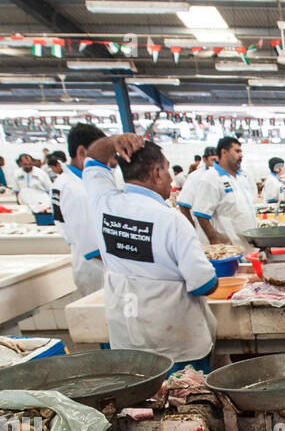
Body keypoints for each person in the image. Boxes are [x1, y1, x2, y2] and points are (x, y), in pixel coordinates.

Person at [83, 132, 218, 370]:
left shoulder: (104, 203)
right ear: (157, 173)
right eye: (166, 170)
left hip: (128, 341)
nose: (170, 179)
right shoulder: (172, 220)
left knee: (141, 403)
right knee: (188, 400)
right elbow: (203, 284)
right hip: (177, 347)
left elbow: (93, 159)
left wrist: (113, 141)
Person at [54, 122, 106, 296]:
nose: (105, 161)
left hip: (87, 261)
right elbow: (92, 245)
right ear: (82, 152)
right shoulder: (75, 190)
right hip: (97, 270)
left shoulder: (65, 182)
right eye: (101, 155)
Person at [188, 135, 256, 247]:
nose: (241, 155)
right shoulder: (211, 178)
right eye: (237, 151)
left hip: (248, 245)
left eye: (241, 151)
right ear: (224, 152)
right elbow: (201, 214)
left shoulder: (241, 178)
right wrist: (215, 241)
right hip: (230, 248)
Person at [176, 146, 216, 237]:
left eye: (218, 160)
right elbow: (183, 204)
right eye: (213, 160)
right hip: (204, 232)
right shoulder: (196, 176)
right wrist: (193, 227)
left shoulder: (221, 176)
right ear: (205, 160)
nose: (216, 163)